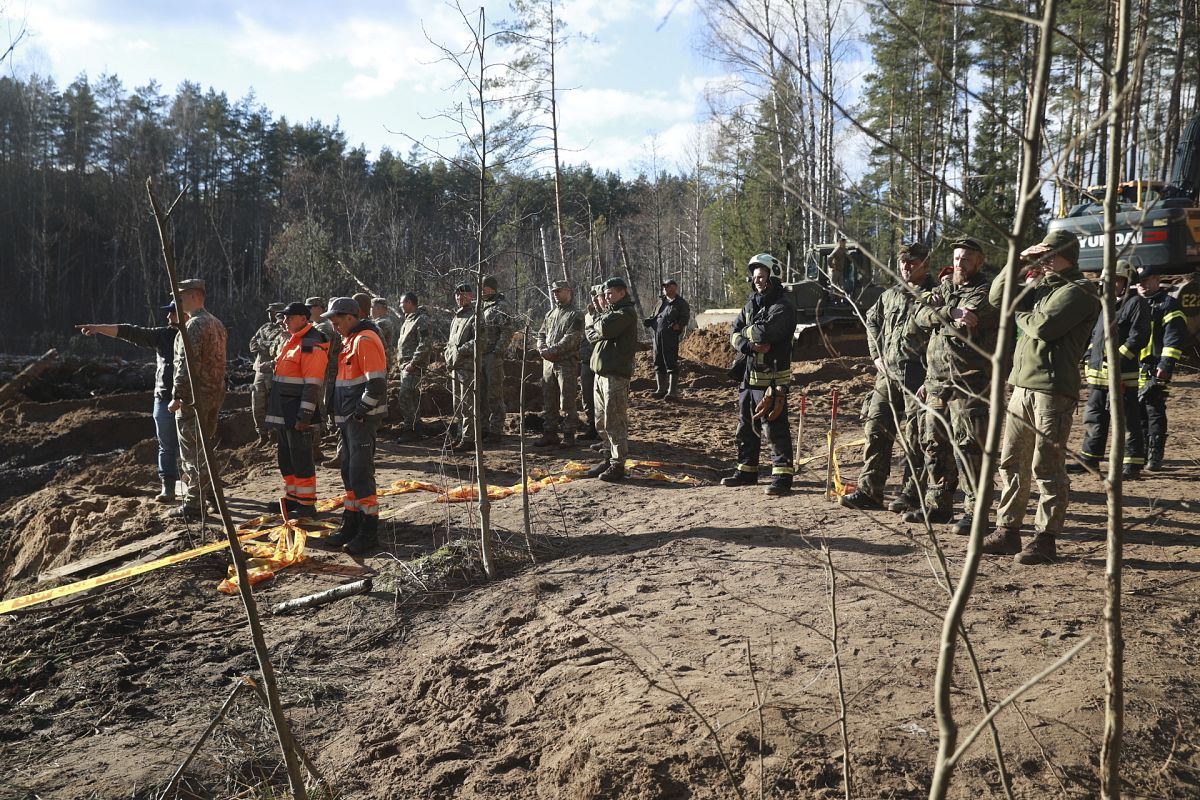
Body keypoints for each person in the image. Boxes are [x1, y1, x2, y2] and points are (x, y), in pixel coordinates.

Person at [983, 230, 1100, 564]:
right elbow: (996, 297)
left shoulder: (1079, 289)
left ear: (1067, 255)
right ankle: (1008, 530)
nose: (1045, 260)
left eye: (1050, 254)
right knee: (1011, 461)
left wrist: (1018, 314)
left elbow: (1044, 327)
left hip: (1053, 390)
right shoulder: (1042, 286)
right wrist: (1018, 262)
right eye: (1042, 254)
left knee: (1046, 467)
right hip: (1021, 386)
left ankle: (1045, 538)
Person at [909, 237, 999, 535]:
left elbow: (967, 320)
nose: (960, 263)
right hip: (936, 383)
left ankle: (976, 513)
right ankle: (939, 505)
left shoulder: (986, 291)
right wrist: (949, 311)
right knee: (934, 445)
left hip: (969, 384)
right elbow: (918, 316)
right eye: (957, 258)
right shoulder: (947, 288)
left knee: (969, 448)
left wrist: (942, 312)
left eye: (966, 259)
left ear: (979, 262)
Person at [840, 242, 934, 514]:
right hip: (887, 374)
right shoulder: (890, 295)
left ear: (925, 264)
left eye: (913, 262)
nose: (906, 267)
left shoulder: (935, 296)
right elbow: (872, 321)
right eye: (903, 262)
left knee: (917, 436)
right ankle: (870, 490)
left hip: (919, 374)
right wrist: (876, 355)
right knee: (876, 428)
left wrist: (932, 379)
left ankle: (912, 494)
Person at [76, 299, 182, 504]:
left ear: (185, 314)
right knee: (167, 446)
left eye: (173, 313)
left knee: (194, 446)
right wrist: (98, 328)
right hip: (163, 398)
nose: (168, 317)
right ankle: (168, 487)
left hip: (190, 399)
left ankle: (202, 489)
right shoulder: (162, 335)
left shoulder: (197, 334)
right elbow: (129, 332)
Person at [720, 253, 797, 496]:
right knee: (746, 427)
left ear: (772, 276)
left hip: (772, 380)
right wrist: (747, 344)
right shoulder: (751, 303)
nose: (758, 281)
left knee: (774, 429)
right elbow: (734, 333)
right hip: (748, 379)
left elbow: (767, 333)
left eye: (762, 276)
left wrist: (747, 333)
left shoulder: (783, 306)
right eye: (755, 278)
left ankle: (782, 478)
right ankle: (746, 472)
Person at [320, 297, 387, 555]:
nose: (334, 326)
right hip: (349, 421)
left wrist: (360, 412)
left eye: (336, 321)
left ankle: (369, 530)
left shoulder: (365, 340)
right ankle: (352, 521)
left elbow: (376, 384)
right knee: (348, 471)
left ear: (350, 317)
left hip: (360, 420)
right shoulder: (350, 340)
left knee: (360, 473)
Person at [1078, 260, 1150, 479]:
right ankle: (1090, 461)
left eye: (1116, 281)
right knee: (1094, 418)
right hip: (1098, 376)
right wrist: (1090, 355)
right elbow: (1096, 335)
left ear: (1127, 282)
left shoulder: (1136, 303)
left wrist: (1117, 358)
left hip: (1122, 377)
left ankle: (1132, 465)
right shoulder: (1106, 305)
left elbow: (1138, 336)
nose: (1111, 285)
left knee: (1128, 420)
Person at [168, 278, 228, 520]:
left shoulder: (193, 326)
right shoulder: (218, 324)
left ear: (194, 296)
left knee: (192, 452)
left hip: (195, 399)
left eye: (181, 296)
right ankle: (213, 494)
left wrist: (178, 396)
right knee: (205, 449)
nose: (177, 301)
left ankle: (194, 504)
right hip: (214, 395)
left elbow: (186, 364)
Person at [266, 302, 329, 518]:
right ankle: (293, 499)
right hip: (285, 412)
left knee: (301, 458)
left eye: (288, 317)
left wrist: (305, 415)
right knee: (286, 457)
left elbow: (312, 384)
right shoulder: (293, 341)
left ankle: (306, 504)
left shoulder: (311, 342)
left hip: (297, 413)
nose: (284, 321)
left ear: (303, 318)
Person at [583, 276, 638, 481]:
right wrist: (598, 323)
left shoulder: (625, 313)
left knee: (615, 420)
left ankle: (618, 464)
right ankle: (607, 456)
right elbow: (592, 335)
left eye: (610, 294)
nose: (606, 298)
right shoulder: (611, 313)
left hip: (615, 374)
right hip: (601, 373)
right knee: (601, 420)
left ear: (622, 292)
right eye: (604, 294)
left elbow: (604, 329)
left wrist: (594, 320)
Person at [1135, 266, 1189, 470]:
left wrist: (1165, 366)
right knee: (1135, 413)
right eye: (1138, 281)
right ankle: (1137, 454)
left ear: (1157, 280)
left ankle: (1154, 456)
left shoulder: (1168, 305)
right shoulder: (1134, 303)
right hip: (1134, 368)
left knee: (1154, 410)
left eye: (1145, 280)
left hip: (1154, 368)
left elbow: (1174, 339)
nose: (1141, 284)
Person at [533, 281, 585, 448]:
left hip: (566, 363)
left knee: (567, 400)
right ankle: (550, 433)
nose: (555, 293)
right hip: (548, 363)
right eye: (554, 291)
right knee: (549, 399)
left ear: (568, 292)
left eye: (559, 291)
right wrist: (542, 348)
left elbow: (571, 338)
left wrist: (552, 351)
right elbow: (541, 333)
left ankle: (569, 434)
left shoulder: (576, 314)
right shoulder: (550, 314)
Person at [306, 296, 342, 464]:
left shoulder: (325, 327)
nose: (308, 310)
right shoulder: (315, 326)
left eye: (311, 307)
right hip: (319, 371)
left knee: (319, 406)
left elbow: (314, 350)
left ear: (319, 308)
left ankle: (316, 445)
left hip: (324, 372)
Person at [479, 275, 515, 439]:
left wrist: (498, 351)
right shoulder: (481, 306)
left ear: (491, 288)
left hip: (493, 357)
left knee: (494, 394)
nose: (481, 290)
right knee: (481, 394)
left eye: (484, 287)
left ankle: (496, 430)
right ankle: (484, 427)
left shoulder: (501, 306)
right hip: (480, 356)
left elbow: (507, 331)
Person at [644, 278, 691, 399]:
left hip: (670, 335)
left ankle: (672, 391)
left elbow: (685, 317)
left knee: (670, 361)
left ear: (674, 287)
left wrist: (678, 325)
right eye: (664, 286)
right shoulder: (661, 301)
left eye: (668, 286)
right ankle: (661, 389)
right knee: (658, 361)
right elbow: (655, 314)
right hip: (657, 335)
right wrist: (650, 320)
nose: (665, 288)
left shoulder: (681, 303)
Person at [394, 292, 431, 441]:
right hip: (406, 366)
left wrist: (414, 362)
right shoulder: (408, 320)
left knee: (405, 396)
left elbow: (425, 343)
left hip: (413, 366)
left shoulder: (421, 319)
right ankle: (415, 428)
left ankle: (410, 429)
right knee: (412, 397)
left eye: (402, 303)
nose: (400, 305)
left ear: (409, 302)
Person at [445, 283, 478, 450]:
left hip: (467, 367)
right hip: (455, 367)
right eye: (457, 295)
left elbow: (479, 341)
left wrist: (460, 351)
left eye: (463, 294)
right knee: (456, 405)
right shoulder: (456, 317)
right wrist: (448, 354)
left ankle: (469, 439)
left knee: (467, 405)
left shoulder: (475, 316)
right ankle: (459, 436)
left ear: (471, 296)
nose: (460, 298)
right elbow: (450, 343)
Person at [249, 303, 287, 446]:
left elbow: (274, 347)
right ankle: (262, 434)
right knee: (257, 403)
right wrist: (264, 343)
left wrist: (262, 343)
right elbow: (252, 344)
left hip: (274, 371)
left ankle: (275, 435)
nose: (270, 314)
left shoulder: (283, 328)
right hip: (259, 370)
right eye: (269, 312)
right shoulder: (264, 327)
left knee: (274, 404)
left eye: (273, 312)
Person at [577, 284, 604, 441]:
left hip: (603, 362)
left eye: (597, 296)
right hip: (587, 361)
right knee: (587, 396)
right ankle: (592, 426)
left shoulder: (608, 314)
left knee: (602, 398)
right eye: (592, 296)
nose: (594, 300)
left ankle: (604, 429)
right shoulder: (586, 316)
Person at [370, 297, 399, 368]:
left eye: (372, 307)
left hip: (380, 359)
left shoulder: (382, 323)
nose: (370, 310)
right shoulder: (382, 321)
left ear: (379, 309)